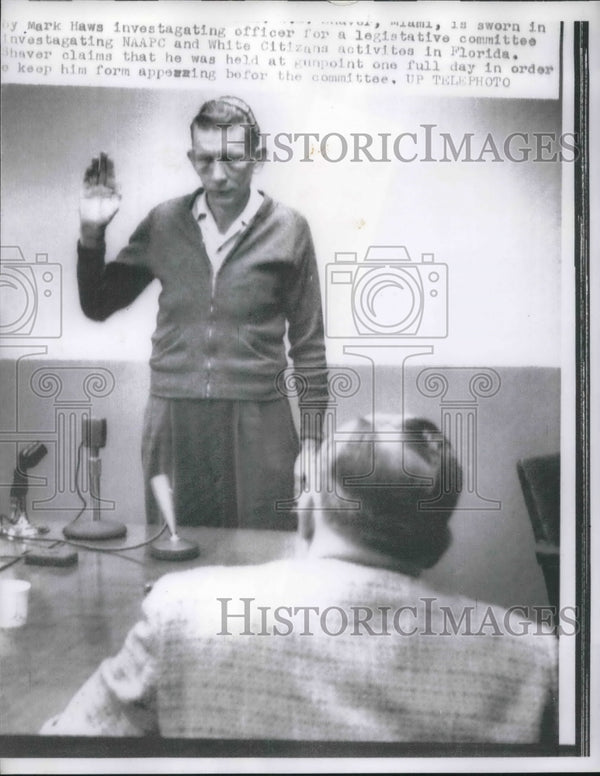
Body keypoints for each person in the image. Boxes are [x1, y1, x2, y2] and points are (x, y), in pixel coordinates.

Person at [41, 414, 557, 742]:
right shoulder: (535, 657)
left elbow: (60, 754)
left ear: (307, 512)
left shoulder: (182, 613)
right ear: (437, 547)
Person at [77, 96, 328, 528]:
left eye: (232, 159)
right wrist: (91, 232)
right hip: (174, 415)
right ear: (192, 158)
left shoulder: (290, 229)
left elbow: (309, 345)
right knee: (176, 545)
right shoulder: (164, 223)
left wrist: (311, 443)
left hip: (259, 417)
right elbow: (98, 304)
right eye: (206, 160)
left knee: (263, 550)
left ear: (258, 156)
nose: (218, 174)